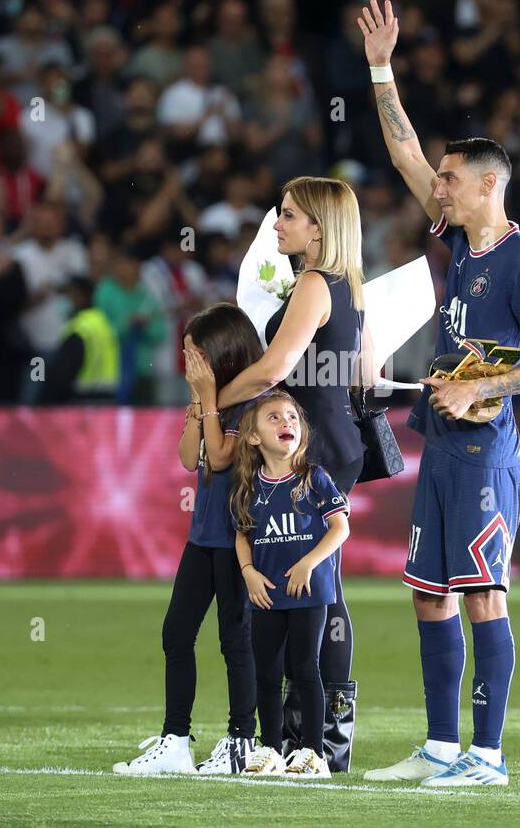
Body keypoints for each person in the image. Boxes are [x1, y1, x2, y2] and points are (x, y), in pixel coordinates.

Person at [357, 0, 520, 786]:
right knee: (428, 597)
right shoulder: (456, 236)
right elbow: (406, 148)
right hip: (443, 448)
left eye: (450, 179)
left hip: (484, 452)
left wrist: (483, 388)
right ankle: (442, 746)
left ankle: (489, 755)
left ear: (486, 186)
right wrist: (381, 67)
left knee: (484, 596)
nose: (435, 187)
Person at [215, 176, 370, 772]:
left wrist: (215, 398)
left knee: (312, 591)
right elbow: (366, 368)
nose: (276, 225)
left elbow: (277, 365)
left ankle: (309, 741)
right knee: (321, 589)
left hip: (309, 448)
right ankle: (322, 738)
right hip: (331, 438)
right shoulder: (350, 284)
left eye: (288, 215)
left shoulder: (311, 281)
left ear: (319, 228)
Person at [113, 303, 265, 775]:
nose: (187, 364)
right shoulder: (210, 397)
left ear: (221, 354)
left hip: (238, 537)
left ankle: (242, 738)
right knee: (176, 632)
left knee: (234, 640)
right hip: (202, 534)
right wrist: (200, 403)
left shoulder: (255, 403)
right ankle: (176, 738)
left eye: (195, 355)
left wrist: (209, 400)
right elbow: (188, 457)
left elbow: (220, 457)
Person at [230, 390, 350, 777]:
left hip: (308, 592)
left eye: (293, 418)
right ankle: (270, 749)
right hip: (266, 594)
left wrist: (309, 564)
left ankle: (313, 753)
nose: (287, 424)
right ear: (253, 438)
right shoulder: (249, 485)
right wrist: (248, 571)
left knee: (304, 668)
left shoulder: (313, 478)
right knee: (266, 672)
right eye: (275, 419)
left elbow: (340, 527)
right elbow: (242, 535)